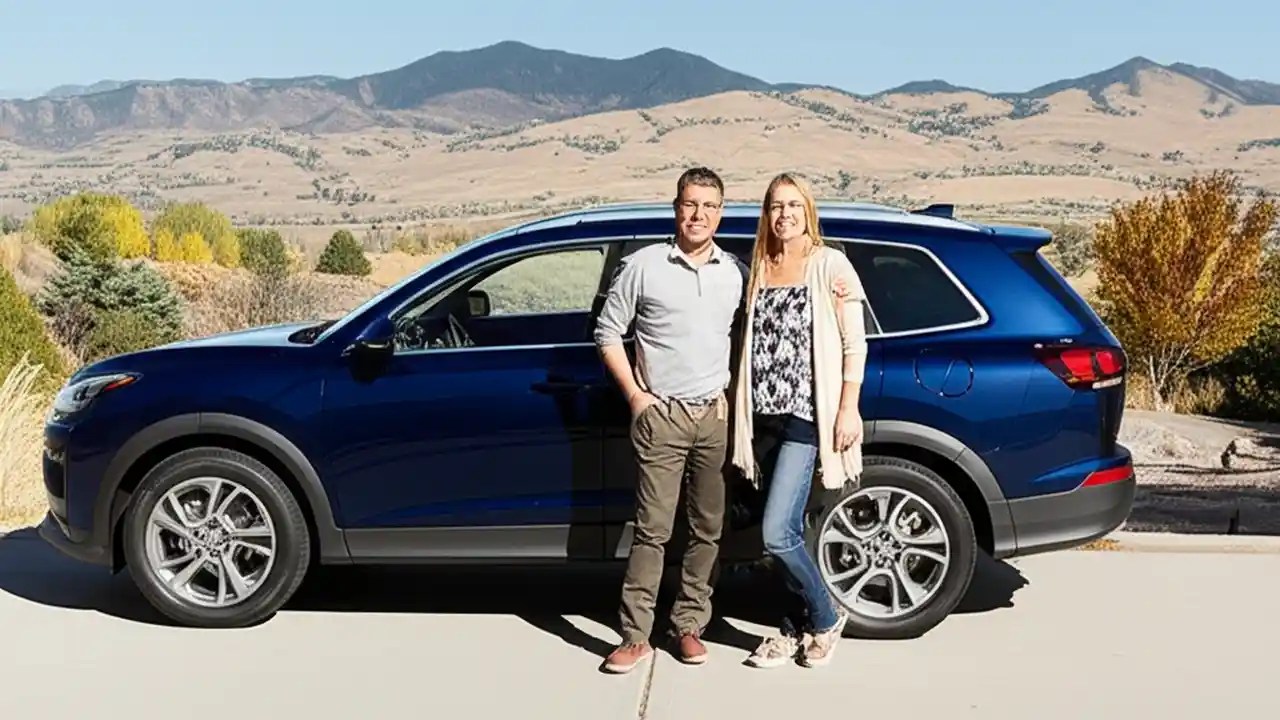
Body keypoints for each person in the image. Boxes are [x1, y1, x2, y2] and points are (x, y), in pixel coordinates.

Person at [593, 167, 747, 673]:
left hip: (714, 418)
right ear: (675, 207)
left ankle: (689, 625)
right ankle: (636, 635)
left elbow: (755, 332)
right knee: (652, 530)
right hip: (662, 416)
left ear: (720, 212)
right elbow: (608, 332)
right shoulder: (644, 265)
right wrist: (637, 398)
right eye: (690, 204)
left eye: (709, 206)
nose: (698, 214)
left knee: (708, 529)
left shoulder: (734, 272)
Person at [730, 172, 869, 669]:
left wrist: (847, 406)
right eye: (774, 206)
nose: (783, 214)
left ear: (808, 210)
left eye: (792, 205)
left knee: (776, 533)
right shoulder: (760, 265)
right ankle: (793, 628)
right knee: (791, 529)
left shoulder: (830, 265)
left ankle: (827, 617)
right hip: (760, 418)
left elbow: (856, 344)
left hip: (805, 417)